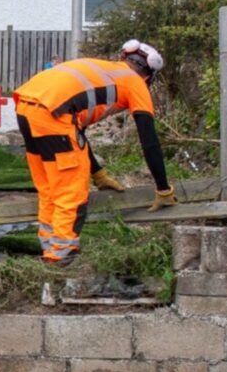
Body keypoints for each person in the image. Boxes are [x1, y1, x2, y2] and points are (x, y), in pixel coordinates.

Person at [10, 39, 178, 265]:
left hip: (27, 107)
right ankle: (62, 256)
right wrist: (163, 189)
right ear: (148, 75)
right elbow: (149, 141)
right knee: (72, 191)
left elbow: (77, 135)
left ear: (123, 57)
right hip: (54, 114)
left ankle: (50, 251)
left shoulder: (101, 71)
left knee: (51, 188)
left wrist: (98, 174)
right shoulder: (135, 82)